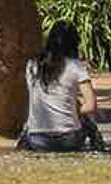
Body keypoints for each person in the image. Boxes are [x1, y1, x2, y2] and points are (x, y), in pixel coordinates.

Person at [18, 22, 103, 152]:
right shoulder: (76, 67)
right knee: (84, 113)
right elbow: (91, 105)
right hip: (69, 140)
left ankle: (23, 142)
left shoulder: (32, 65)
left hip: (37, 140)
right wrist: (72, 111)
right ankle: (97, 144)